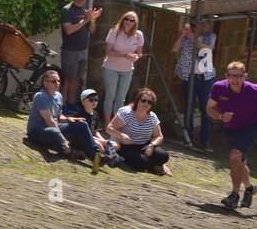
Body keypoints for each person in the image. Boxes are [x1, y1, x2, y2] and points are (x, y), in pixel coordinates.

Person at [26, 69, 104, 171]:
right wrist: (63, 139)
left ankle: (96, 158)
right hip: (37, 131)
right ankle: (70, 152)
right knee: (54, 132)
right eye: (54, 81)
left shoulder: (58, 96)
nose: (57, 84)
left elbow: (58, 116)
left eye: (59, 81)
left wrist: (69, 119)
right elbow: (50, 121)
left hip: (54, 127)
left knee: (81, 124)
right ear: (45, 83)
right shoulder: (41, 96)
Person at [207, 61, 257, 209]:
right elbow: (209, 108)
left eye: (238, 76)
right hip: (229, 128)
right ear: (226, 76)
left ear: (245, 76)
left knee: (235, 156)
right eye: (231, 76)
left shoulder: (253, 90)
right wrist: (221, 117)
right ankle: (249, 188)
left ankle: (234, 195)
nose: (235, 80)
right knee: (238, 161)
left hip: (250, 127)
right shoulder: (219, 87)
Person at [173, 18, 218, 149]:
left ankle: (205, 141)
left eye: (198, 25)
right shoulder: (186, 37)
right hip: (189, 76)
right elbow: (175, 49)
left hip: (205, 78)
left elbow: (207, 49)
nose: (196, 28)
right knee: (189, 107)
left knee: (206, 109)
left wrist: (194, 38)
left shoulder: (210, 36)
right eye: (193, 25)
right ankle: (188, 138)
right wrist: (182, 35)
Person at [107, 87, 171, 175]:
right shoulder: (126, 112)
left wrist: (151, 145)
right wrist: (121, 135)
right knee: (142, 162)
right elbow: (109, 128)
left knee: (164, 156)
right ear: (137, 101)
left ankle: (156, 165)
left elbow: (159, 136)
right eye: (143, 100)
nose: (146, 104)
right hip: (126, 145)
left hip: (144, 145)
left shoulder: (152, 117)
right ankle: (154, 166)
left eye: (149, 102)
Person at [60, 0, 102, 105]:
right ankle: (62, 106)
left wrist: (92, 19)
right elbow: (68, 30)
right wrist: (85, 20)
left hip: (83, 51)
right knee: (67, 80)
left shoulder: (85, 11)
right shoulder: (67, 10)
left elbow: (92, 30)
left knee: (76, 80)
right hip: (70, 51)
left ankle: (71, 104)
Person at [101, 10, 144, 126]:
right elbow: (108, 51)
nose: (129, 22)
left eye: (132, 20)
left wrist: (136, 57)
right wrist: (125, 55)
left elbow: (140, 53)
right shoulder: (114, 32)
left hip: (127, 69)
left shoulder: (138, 35)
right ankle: (106, 123)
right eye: (126, 19)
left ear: (135, 23)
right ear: (122, 19)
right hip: (111, 68)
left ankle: (116, 124)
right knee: (110, 96)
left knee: (121, 98)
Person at [68, 88, 121, 168]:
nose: (94, 102)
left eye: (96, 100)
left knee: (115, 145)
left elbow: (95, 131)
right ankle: (104, 160)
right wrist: (102, 142)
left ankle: (108, 158)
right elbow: (82, 133)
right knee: (99, 144)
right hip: (82, 139)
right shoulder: (80, 113)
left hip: (92, 137)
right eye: (91, 100)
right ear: (83, 102)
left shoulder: (95, 114)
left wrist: (103, 140)